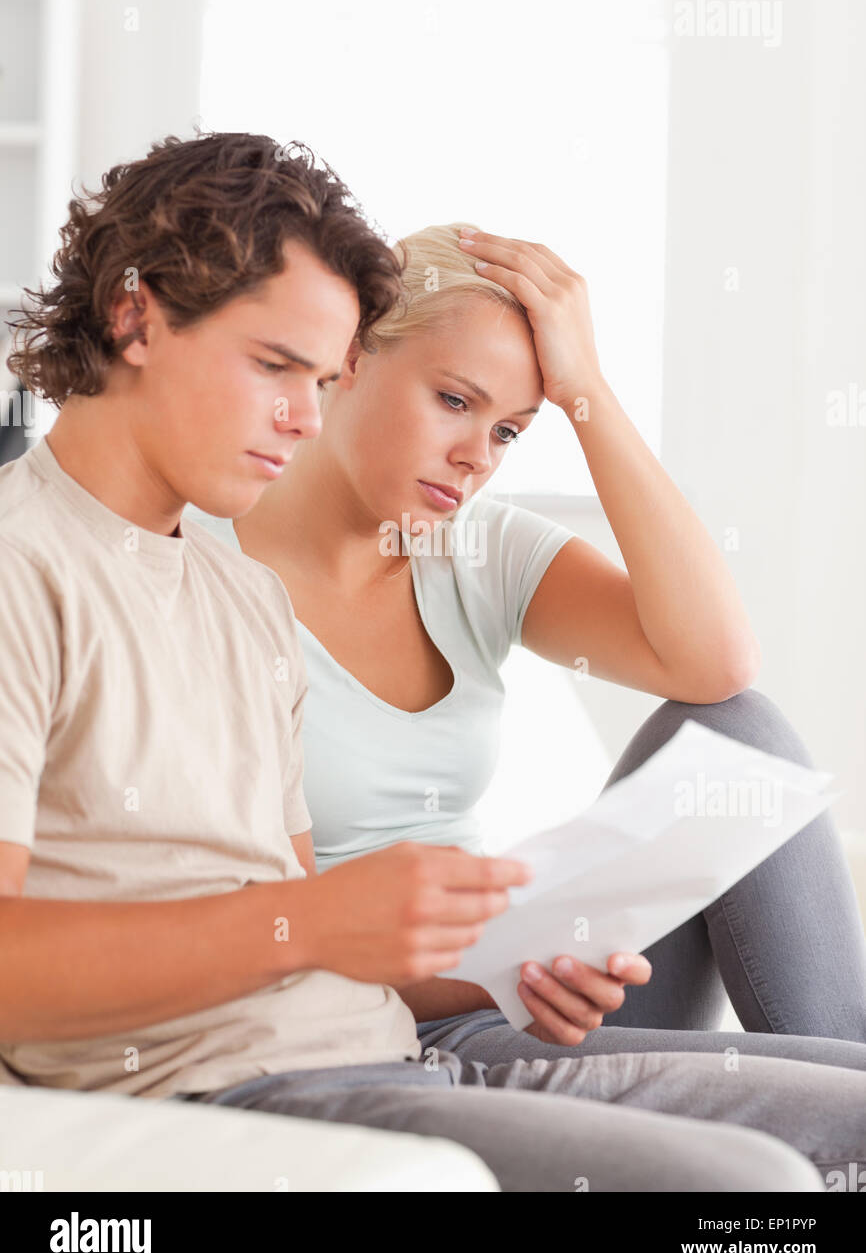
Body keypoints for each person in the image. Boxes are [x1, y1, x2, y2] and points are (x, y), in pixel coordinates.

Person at [0, 136, 861, 1194]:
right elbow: (274, 927)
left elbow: (306, 930)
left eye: (320, 379)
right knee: (745, 1186)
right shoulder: (22, 569)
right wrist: (314, 919)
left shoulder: (236, 599)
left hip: (401, 1048)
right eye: (278, 368)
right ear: (134, 315)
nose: (305, 418)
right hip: (244, 1089)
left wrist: (501, 969)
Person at [184, 220, 866, 1079]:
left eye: (510, 432)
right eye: (456, 401)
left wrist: (588, 392)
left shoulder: (477, 550)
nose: (475, 458)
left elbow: (717, 664)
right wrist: (494, 974)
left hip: (524, 996)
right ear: (349, 356)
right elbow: (258, 932)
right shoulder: (196, 566)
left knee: (740, 732)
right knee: (825, 1100)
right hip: (392, 1025)